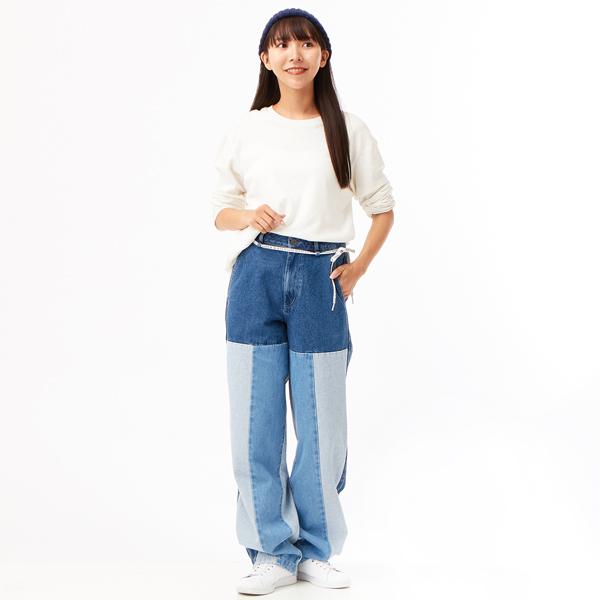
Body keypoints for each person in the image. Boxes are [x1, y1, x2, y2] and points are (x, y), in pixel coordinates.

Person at [210, 8, 395, 595]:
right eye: (283, 45)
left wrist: (357, 269)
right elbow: (220, 211)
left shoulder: (348, 129)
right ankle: (271, 552)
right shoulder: (248, 129)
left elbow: (382, 207)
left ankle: (315, 550)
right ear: (266, 58)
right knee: (255, 423)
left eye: (307, 44)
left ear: (324, 56)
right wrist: (249, 214)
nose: (295, 54)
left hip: (322, 278)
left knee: (322, 426)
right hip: (256, 274)